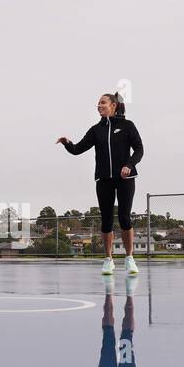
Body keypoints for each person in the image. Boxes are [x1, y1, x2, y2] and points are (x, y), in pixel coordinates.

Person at [56, 92, 144, 275]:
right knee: (106, 220)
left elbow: (139, 150)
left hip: (125, 179)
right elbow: (78, 149)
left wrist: (129, 165)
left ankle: (129, 258)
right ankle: (108, 259)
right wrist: (67, 143)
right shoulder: (96, 130)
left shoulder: (127, 126)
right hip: (103, 179)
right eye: (98, 104)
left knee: (124, 218)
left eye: (103, 103)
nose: (99, 106)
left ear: (113, 105)